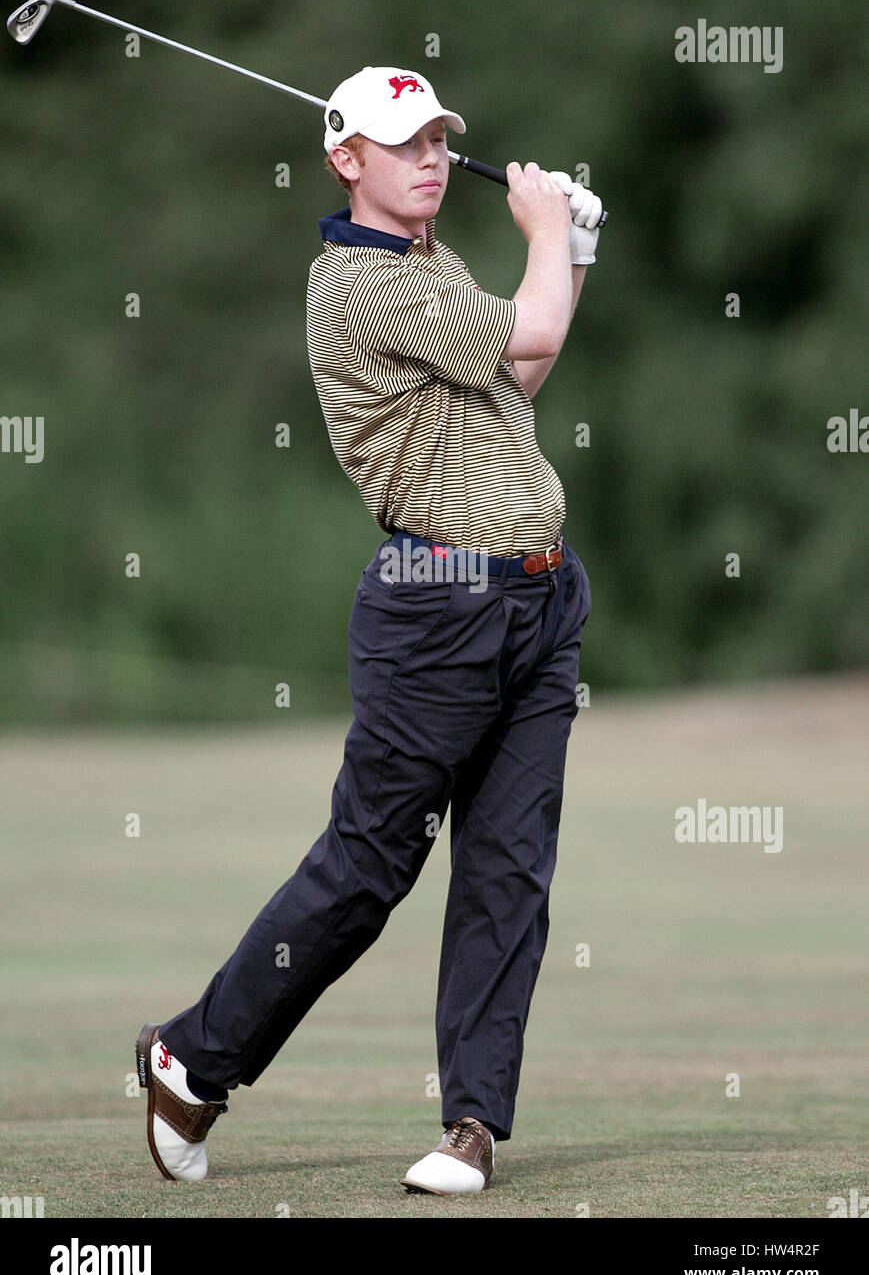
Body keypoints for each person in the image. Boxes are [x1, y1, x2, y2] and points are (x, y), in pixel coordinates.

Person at [136, 65, 599, 1196]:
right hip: (437, 607)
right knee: (368, 866)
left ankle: (471, 1126)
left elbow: (527, 360)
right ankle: (191, 1056)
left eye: (440, 140)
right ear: (346, 160)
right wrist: (550, 230)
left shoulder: (427, 263)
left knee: (508, 872)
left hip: (539, 600)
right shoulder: (359, 284)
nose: (433, 159)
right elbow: (530, 319)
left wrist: (567, 254)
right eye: (406, 146)